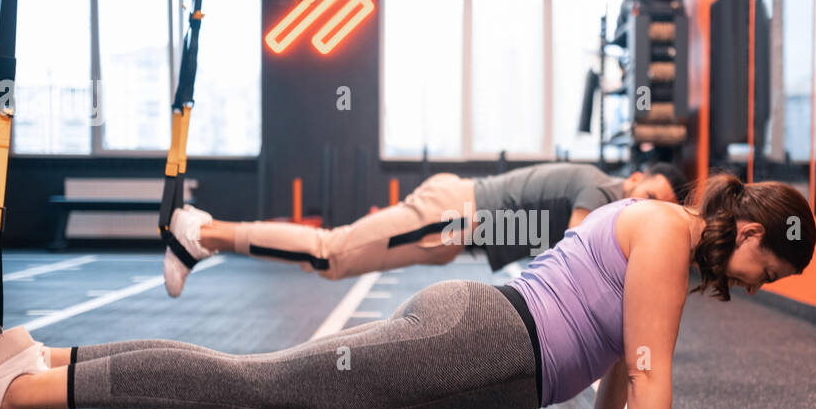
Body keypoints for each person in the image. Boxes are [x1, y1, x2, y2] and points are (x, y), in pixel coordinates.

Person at [0, 172, 815, 409]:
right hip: (481, 341)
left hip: (484, 355)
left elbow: (624, 362)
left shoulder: (676, 252)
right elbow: (653, 369)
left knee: (267, 392)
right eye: (766, 267)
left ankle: (39, 361)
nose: (759, 284)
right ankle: (21, 386)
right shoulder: (664, 234)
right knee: (253, 388)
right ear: (742, 229)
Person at [161, 161, 686, 295]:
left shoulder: (607, 194)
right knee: (331, 253)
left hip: (455, 234)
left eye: (663, 206)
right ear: (636, 178)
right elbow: (577, 256)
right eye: (652, 194)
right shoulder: (604, 192)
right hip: (453, 217)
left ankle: (199, 243)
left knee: (329, 261)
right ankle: (202, 232)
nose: (649, 207)